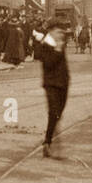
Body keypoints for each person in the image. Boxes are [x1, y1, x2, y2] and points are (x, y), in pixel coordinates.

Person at [34, 19, 71, 159]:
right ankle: (48, 143)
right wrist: (57, 50)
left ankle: (50, 143)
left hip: (63, 84)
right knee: (54, 113)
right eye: (58, 32)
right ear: (51, 31)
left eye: (62, 32)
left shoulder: (60, 44)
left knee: (58, 115)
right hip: (51, 84)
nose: (61, 34)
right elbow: (48, 63)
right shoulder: (45, 44)